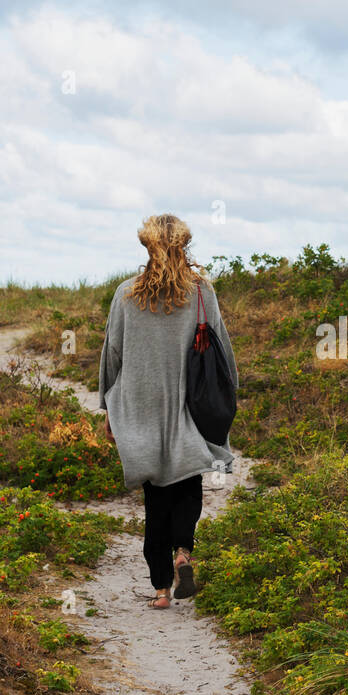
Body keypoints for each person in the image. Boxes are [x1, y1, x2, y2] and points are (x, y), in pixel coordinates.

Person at [97, 214, 239, 610]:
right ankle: (183, 552)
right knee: (187, 483)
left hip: (139, 404)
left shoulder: (126, 293)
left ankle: (161, 590)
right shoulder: (200, 292)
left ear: (146, 247)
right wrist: (229, 395)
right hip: (187, 405)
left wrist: (106, 406)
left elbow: (112, 355)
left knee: (155, 497)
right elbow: (222, 349)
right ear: (184, 245)